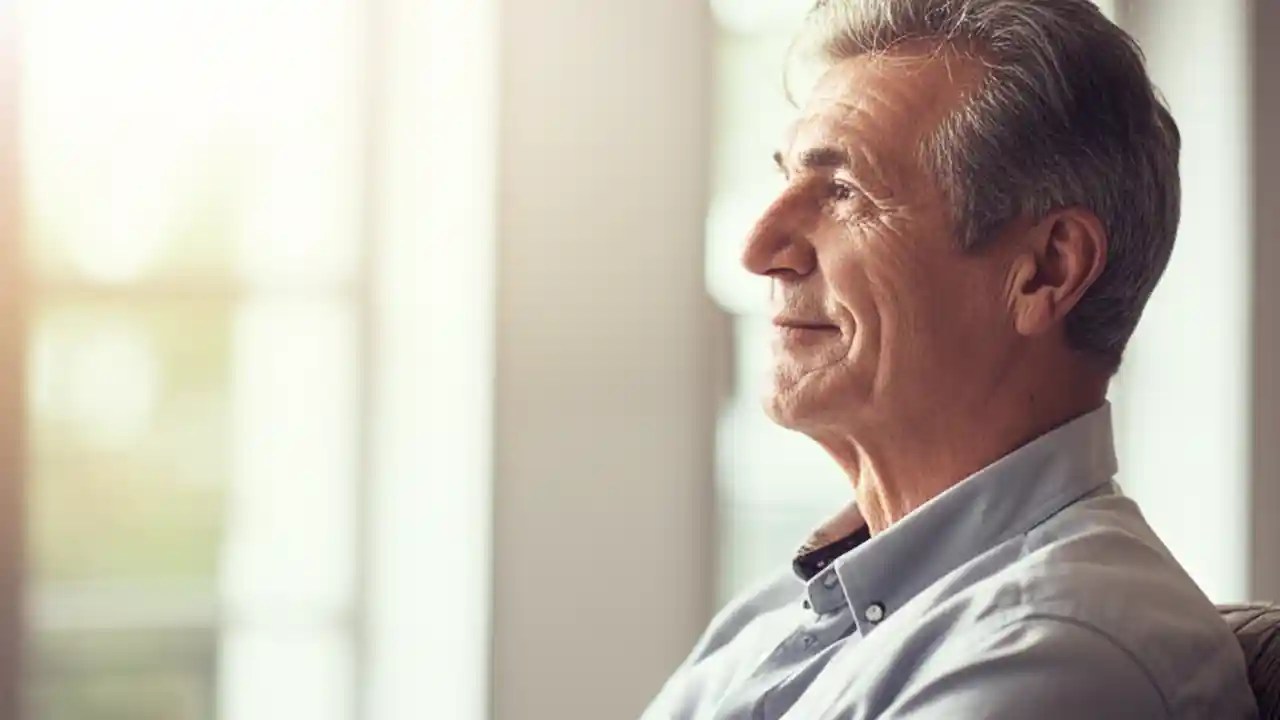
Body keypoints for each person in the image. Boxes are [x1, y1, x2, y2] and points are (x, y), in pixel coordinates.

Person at [642, 1, 1258, 718]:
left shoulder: (1060, 653)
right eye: (786, 180)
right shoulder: (777, 613)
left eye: (844, 192)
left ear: (1045, 271)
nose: (758, 249)